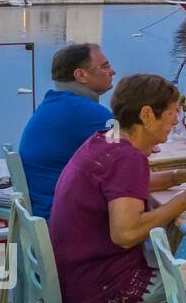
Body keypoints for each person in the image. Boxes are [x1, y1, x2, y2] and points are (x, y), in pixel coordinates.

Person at [48, 75, 186, 303]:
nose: (176, 121)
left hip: (73, 277)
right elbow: (126, 234)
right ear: (148, 114)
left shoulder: (105, 141)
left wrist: (185, 175)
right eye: (172, 113)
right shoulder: (126, 158)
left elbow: (124, 186)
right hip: (101, 287)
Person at [18, 43, 117, 220]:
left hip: (43, 212)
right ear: (80, 75)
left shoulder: (53, 103)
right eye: (105, 66)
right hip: (66, 221)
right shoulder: (89, 113)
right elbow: (125, 160)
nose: (112, 72)